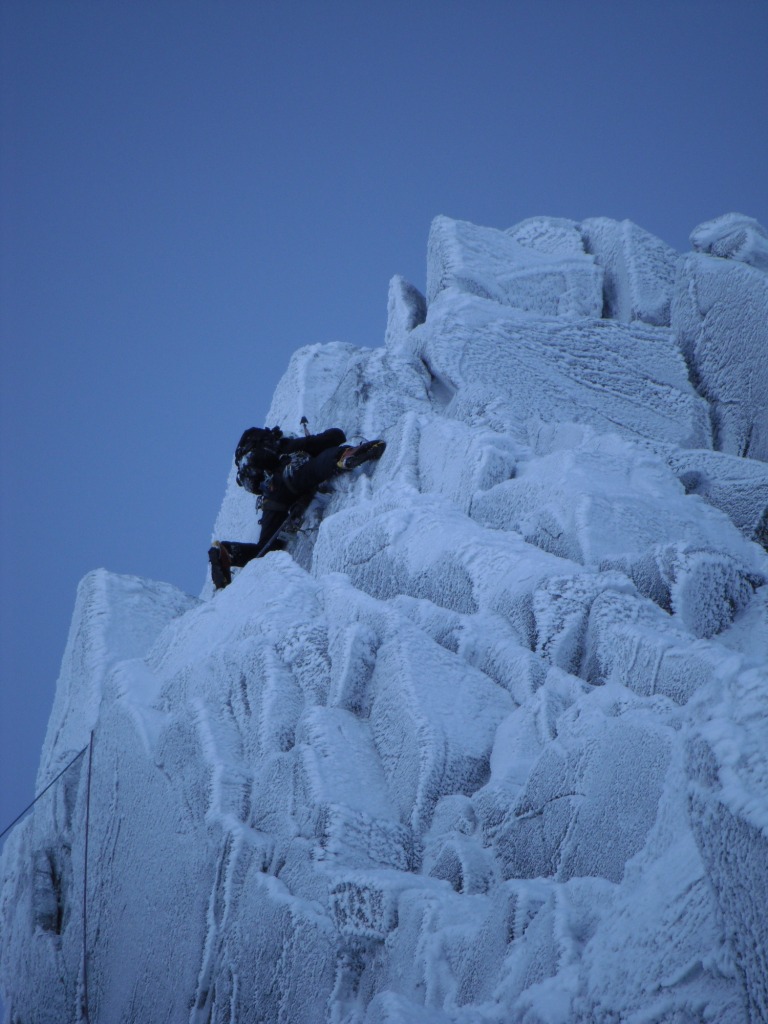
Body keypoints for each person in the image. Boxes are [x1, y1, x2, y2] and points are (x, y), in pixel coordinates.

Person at [208, 422, 385, 589]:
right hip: (291, 476)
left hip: (273, 497)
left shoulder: (265, 469)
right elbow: (334, 436)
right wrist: (314, 442)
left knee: (265, 548)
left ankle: (227, 552)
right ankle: (345, 456)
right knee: (314, 469)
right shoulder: (288, 446)